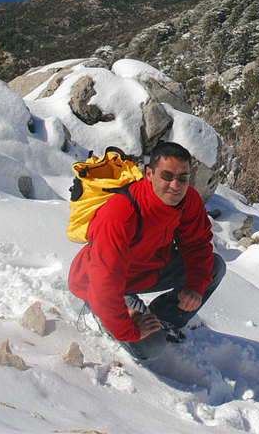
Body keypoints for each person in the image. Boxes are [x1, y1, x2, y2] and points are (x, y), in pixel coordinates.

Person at [68, 140, 226, 361]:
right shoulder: (119, 214)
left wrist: (195, 286)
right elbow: (104, 282)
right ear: (149, 174)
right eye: (167, 176)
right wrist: (129, 330)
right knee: (151, 347)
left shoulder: (187, 200)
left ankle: (163, 320)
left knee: (214, 267)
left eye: (183, 177)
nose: (175, 185)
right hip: (100, 283)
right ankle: (104, 315)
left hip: (148, 269)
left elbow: (198, 245)